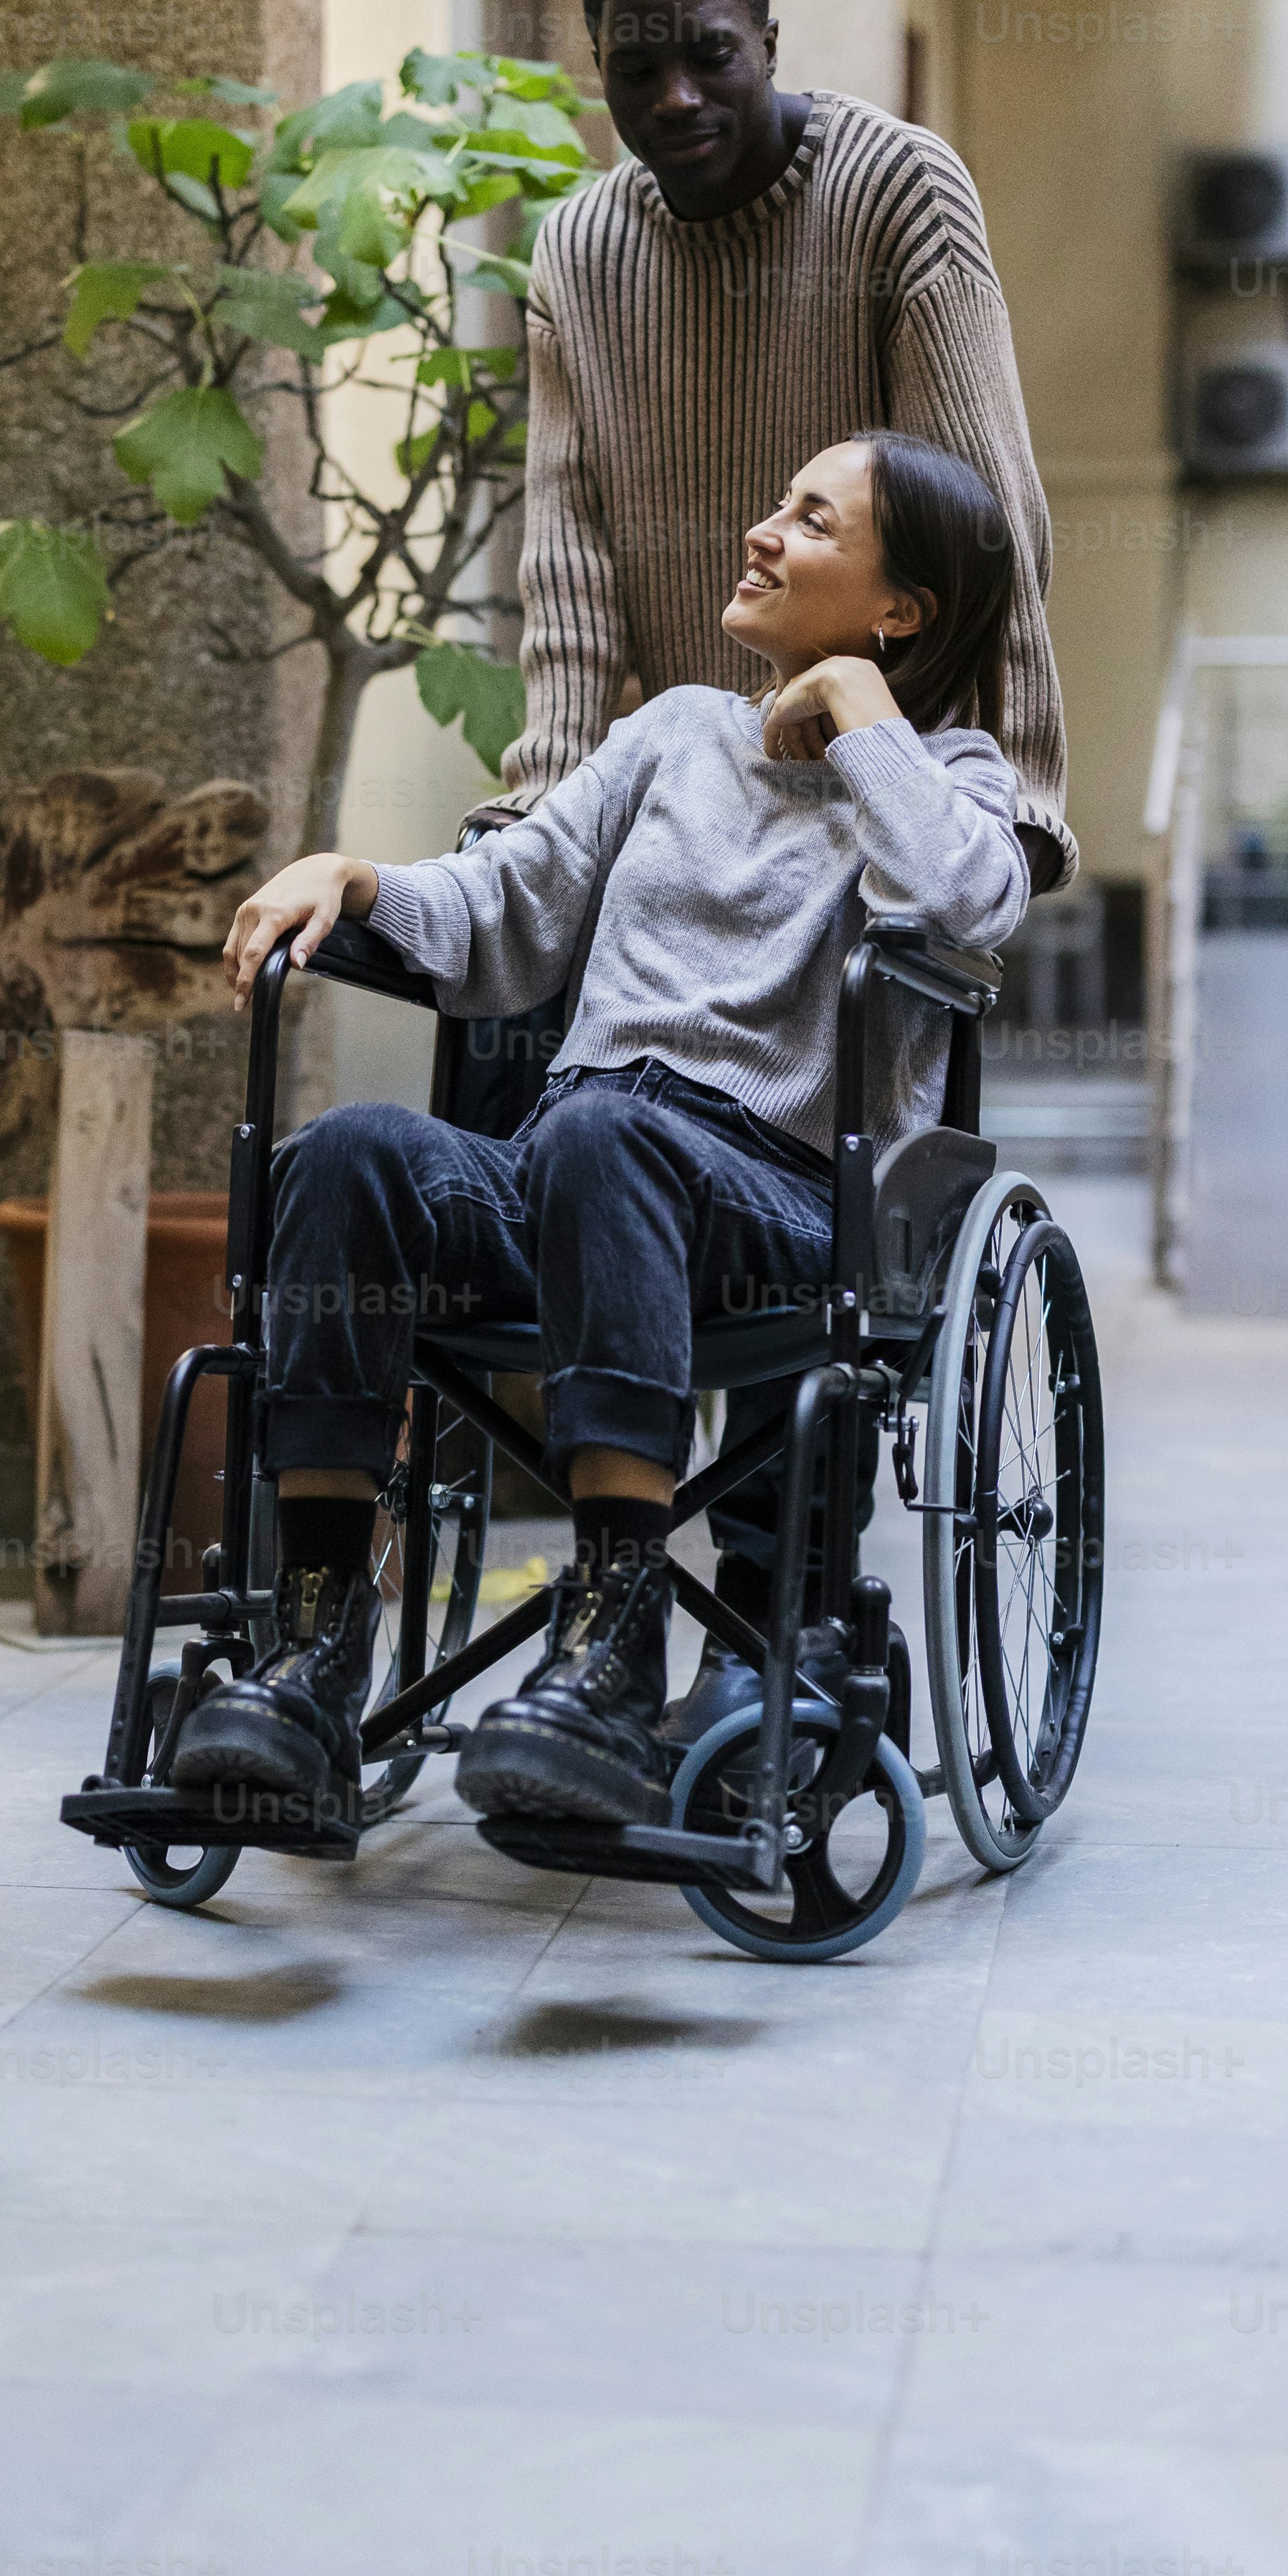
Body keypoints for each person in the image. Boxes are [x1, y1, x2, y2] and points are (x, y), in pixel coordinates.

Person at [176, 430, 1027, 1829]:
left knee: (603, 1142)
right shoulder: (672, 733)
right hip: (575, 1168)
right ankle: (315, 1650)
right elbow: (507, 911)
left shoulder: (952, 778)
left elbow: (968, 900)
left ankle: (612, 1648)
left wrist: (862, 712)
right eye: (777, 498)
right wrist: (362, 876)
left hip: (779, 1218)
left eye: (811, 520)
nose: (762, 531)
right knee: (349, 1156)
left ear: (901, 608)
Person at [485, 0, 1074, 1728]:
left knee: (781, 1167)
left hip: (868, 783)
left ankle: (784, 1609)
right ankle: (586, 1635)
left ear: (767, 34)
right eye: (632, 67)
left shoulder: (898, 195)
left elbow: (981, 522)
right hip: (675, 783)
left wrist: (968, 796)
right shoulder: (581, 247)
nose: (672, 94)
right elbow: (569, 555)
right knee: (570, 1120)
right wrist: (549, 812)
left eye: (707, 55)